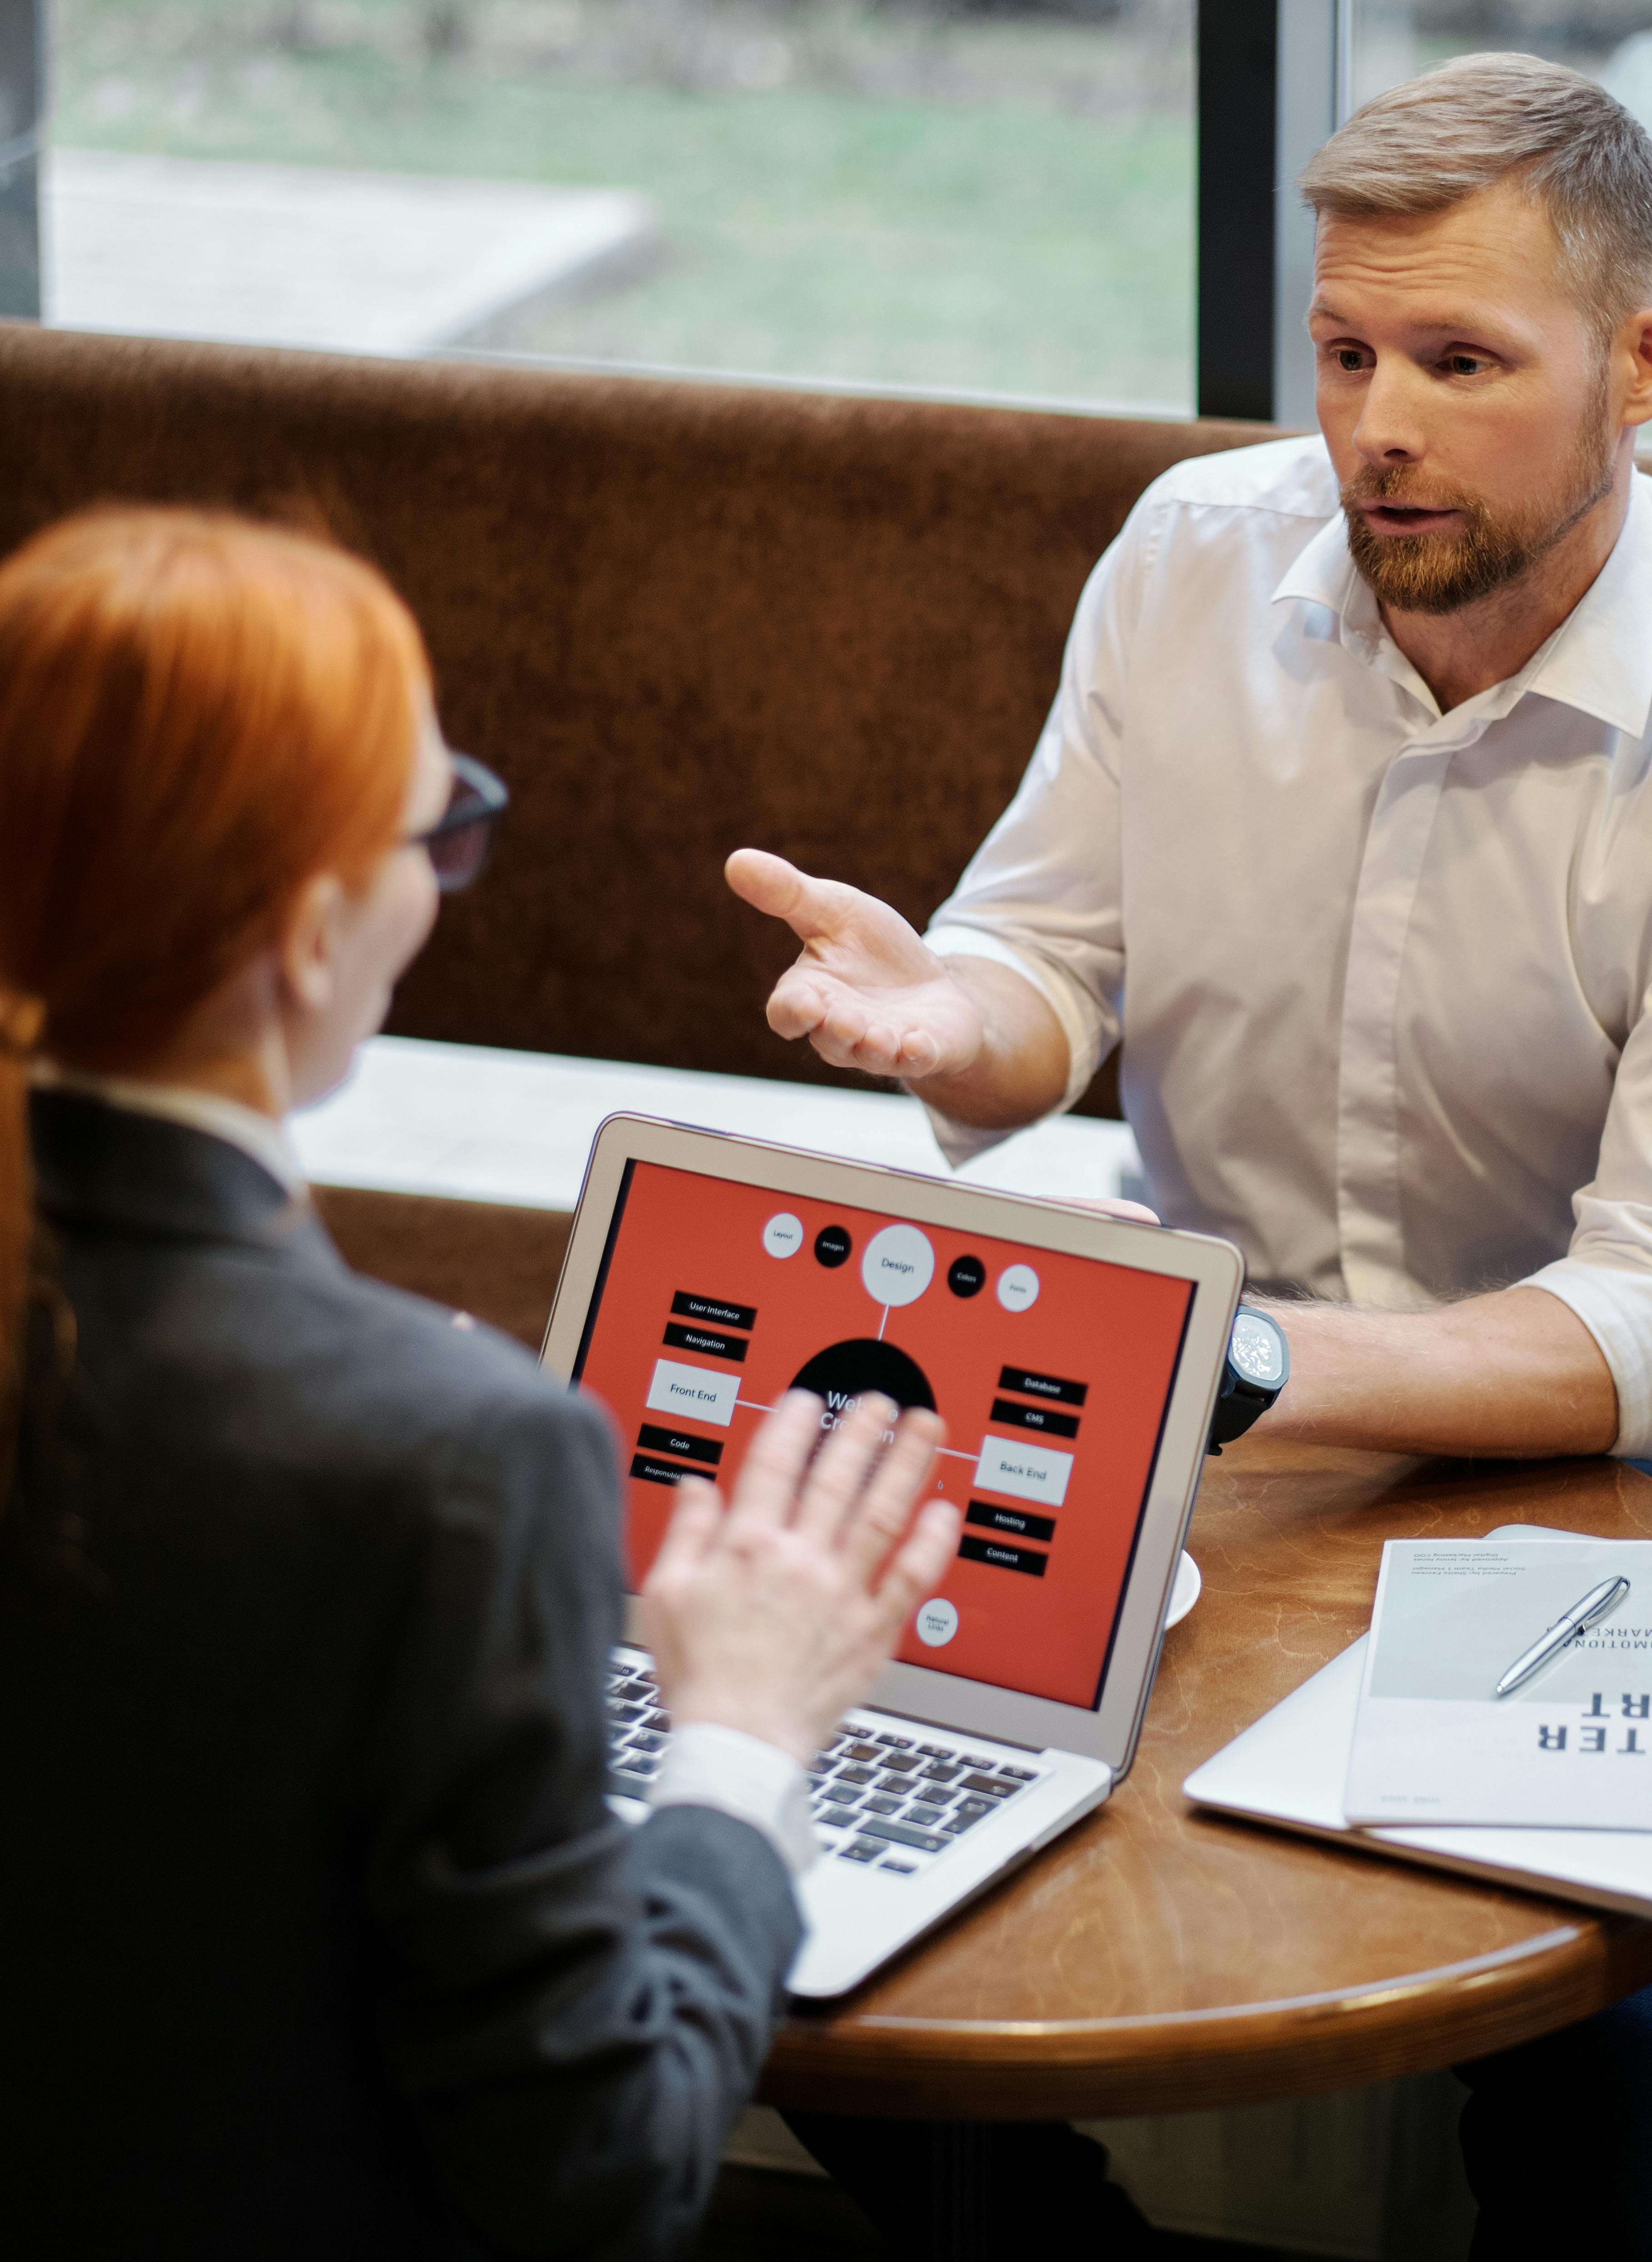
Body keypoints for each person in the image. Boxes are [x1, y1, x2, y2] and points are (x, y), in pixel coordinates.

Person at [727, 54, 1652, 2259]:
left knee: (1604, 2053)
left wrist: (1215, 1370)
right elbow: (1043, 956)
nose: (1373, 425)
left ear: (1646, 364)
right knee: (785, 1865)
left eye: (1457, 361)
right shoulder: (1190, 558)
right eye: (1343, 352)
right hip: (1200, 1393)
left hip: (1591, 1456)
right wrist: (959, 1018)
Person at [0, 505, 960, 2260]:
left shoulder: (408, 1443)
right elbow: (594, 2186)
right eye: (438, 829)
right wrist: (741, 1740)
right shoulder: (453, 1461)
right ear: (306, 935)